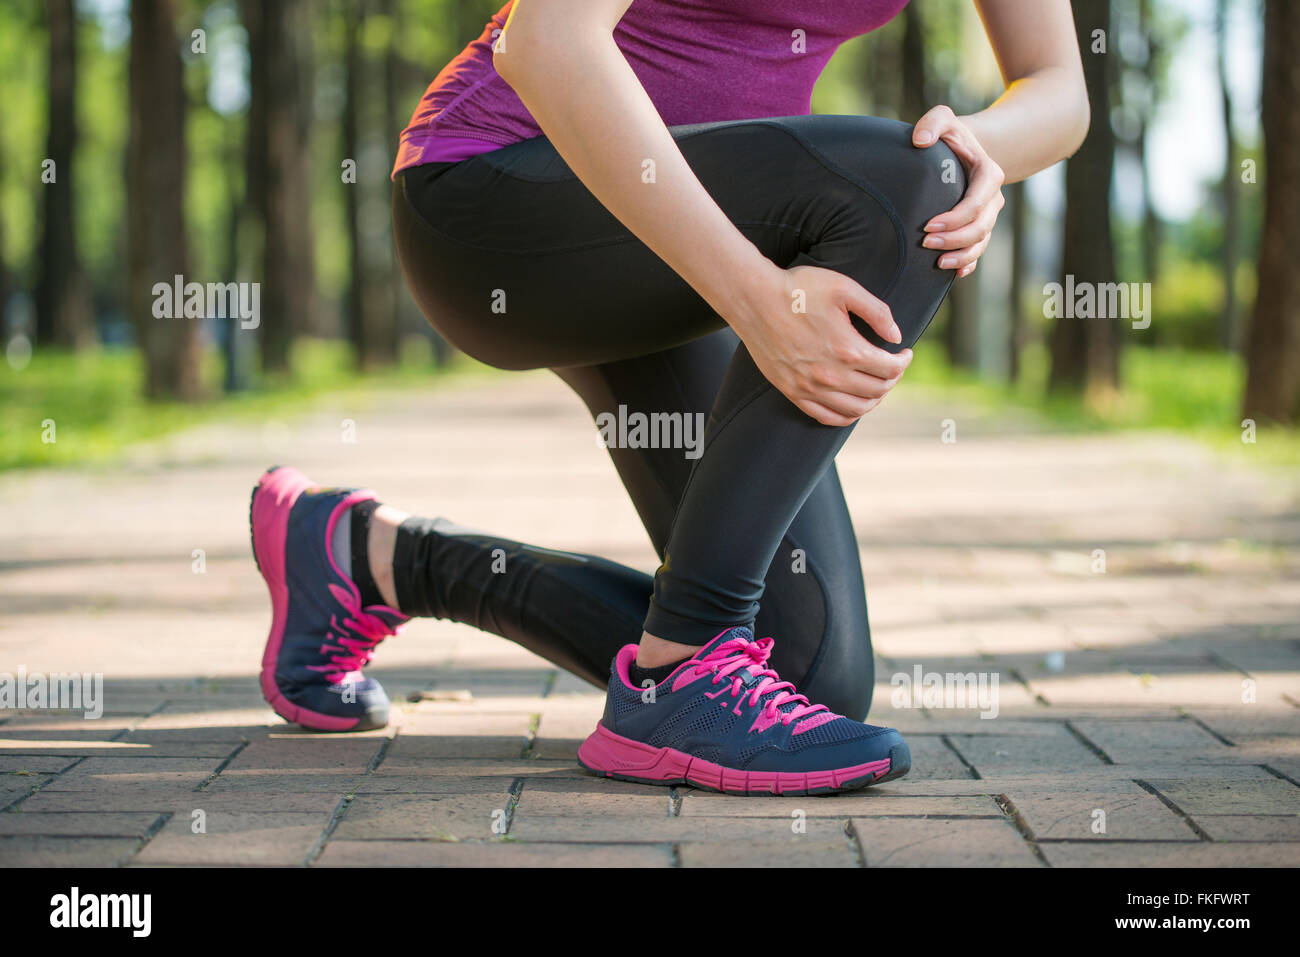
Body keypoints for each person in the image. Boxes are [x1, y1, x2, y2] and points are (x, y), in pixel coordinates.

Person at [249, 0, 1088, 795]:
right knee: (901, 185)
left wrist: (974, 152)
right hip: (498, 192)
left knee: (809, 673)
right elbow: (544, 43)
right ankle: (681, 672)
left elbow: (1058, 90)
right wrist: (757, 297)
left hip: (685, 249)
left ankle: (368, 555)